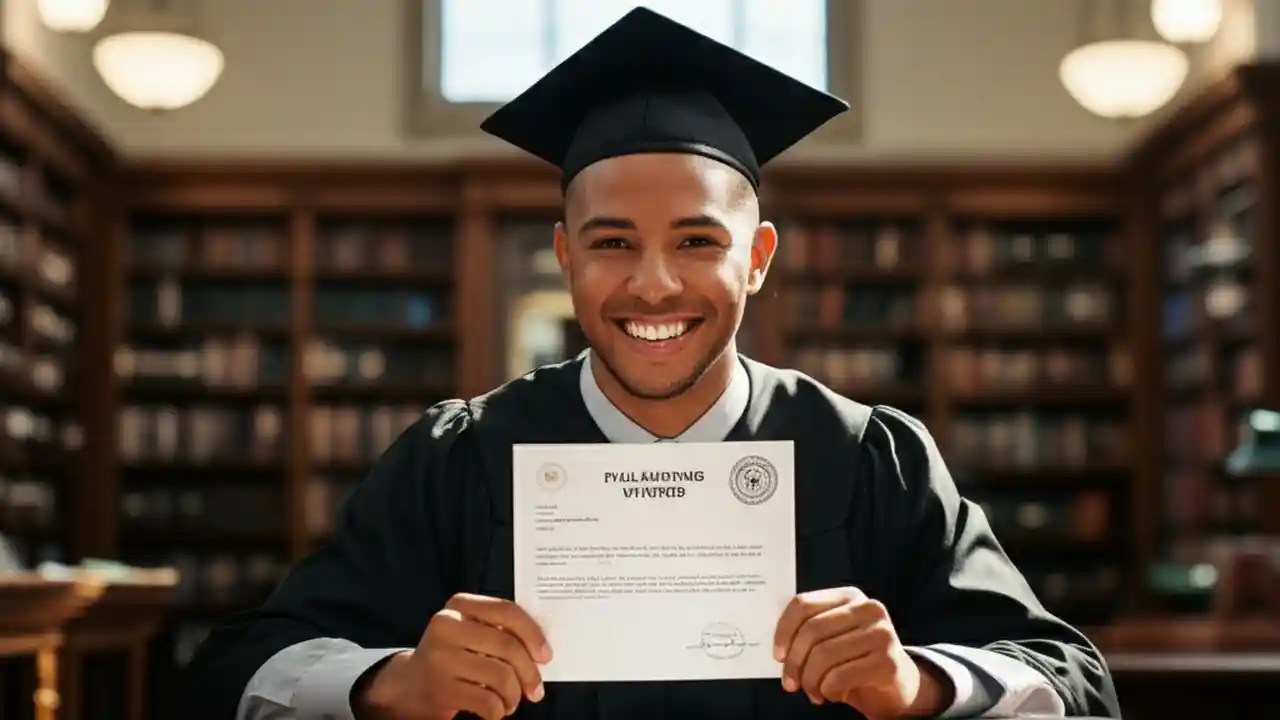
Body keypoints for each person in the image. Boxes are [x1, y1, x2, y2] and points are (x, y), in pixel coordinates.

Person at [178, 8, 1120, 720]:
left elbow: (1078, 684)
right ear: (564, 256)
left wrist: (922, 682)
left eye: (700, 241)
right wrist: (390, 684)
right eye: (613, 242)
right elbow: (232, 669)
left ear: (758, 258)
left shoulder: (871, 456)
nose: (655, 285)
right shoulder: (460, 456)